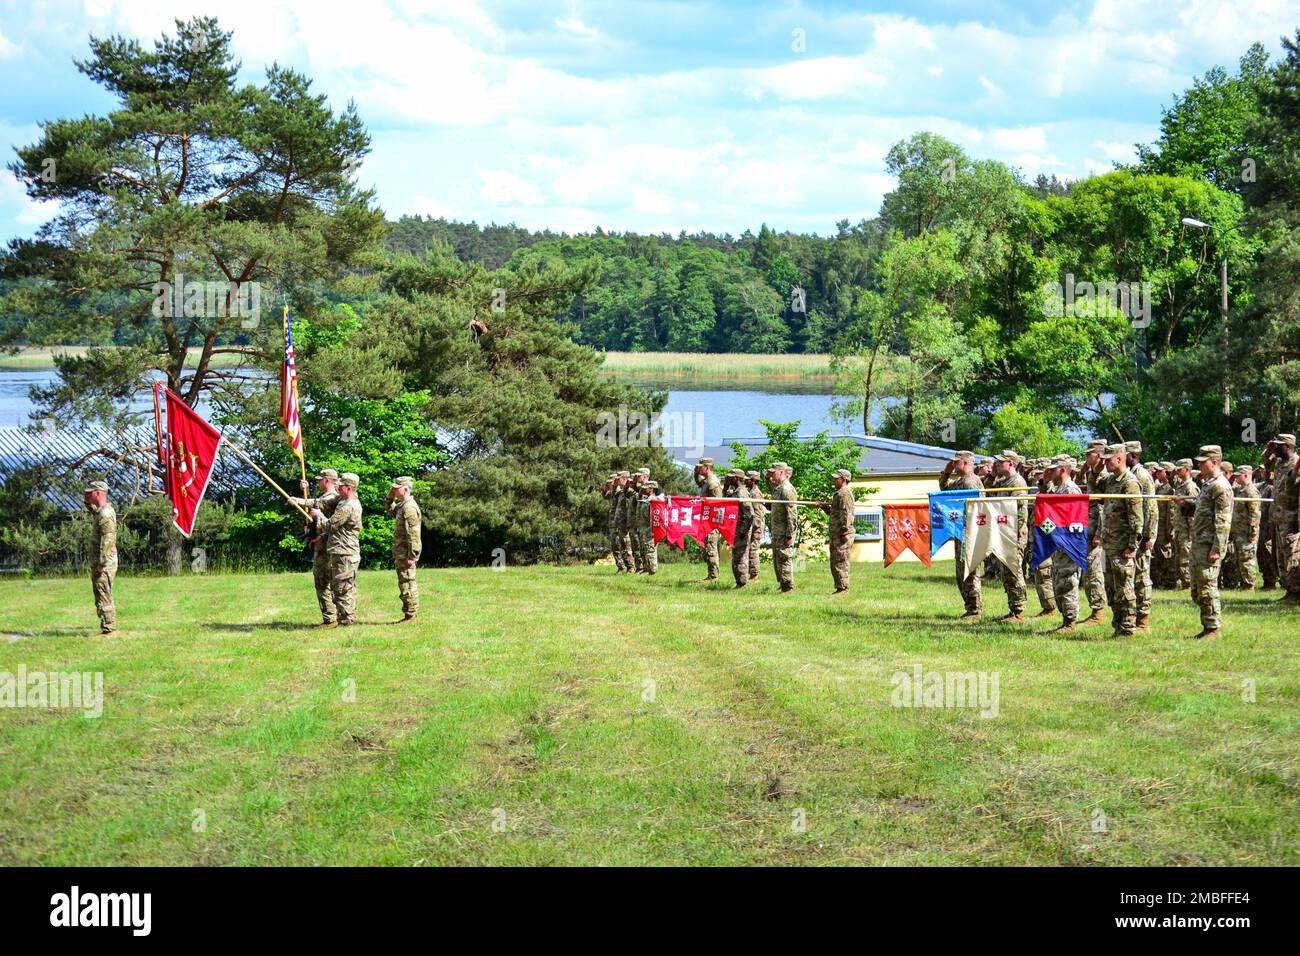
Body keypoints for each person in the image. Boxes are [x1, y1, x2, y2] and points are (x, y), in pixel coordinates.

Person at [1177, 445, 1233, 640]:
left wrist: (1217, 548)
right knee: (1198, 588)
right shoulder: (1209, 484)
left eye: (1203, 462)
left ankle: (1213, 628)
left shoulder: (1221, 486)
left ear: (1215, 462)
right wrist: (1187, 505)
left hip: (1209, 545)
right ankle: (1207, 625)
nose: (1199, 465)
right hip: (1199, 542)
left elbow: (1223, 521)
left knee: (1208, 586)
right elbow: (1204, 511)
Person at [1101, 443, 1142, 637]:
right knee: (1111, 587)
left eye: (1108, 460)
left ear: (1119, 459)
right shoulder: (1111, 481)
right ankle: (1117, 624)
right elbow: (1093, 483)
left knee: (1124, 587)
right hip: (1110, 543)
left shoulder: (1130, 483)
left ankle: (1127, 627)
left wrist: (1132, 545)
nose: (1105, 464)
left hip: (1123, 545)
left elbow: (1136, 518)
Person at [292, 468, 341, 626]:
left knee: (325, 581)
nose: (318, 482)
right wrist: (306, 491)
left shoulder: (333, 497)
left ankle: (333, 617)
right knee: (321, 580)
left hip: (328, 546)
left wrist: (297, 500)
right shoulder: (327, 496)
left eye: (320, 480)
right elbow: (316, 506)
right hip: (322, 544)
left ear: (327, 481)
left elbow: (319, 504)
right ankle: (331, 617)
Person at [940, 450, 984, 620]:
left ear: (965, 463)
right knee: (961, 572)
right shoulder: (960, 481)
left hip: (971, 533)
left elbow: (978, 511)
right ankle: (970, 607)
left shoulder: (972, 483)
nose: (953, 464)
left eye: (955, 462)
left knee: (970, 571)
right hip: (960, 531)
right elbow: (944, 490)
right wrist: (946, 472)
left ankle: (975, 609)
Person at [318, 472, 363, 627]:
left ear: (349, 488)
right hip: (343, 551)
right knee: (341, 586)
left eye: (341, 485)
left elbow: (330, 525)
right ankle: (344, 619)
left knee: (343, 588)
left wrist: (318, 515)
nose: (338, 487)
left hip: (345, 553)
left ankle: (346, 621)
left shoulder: (348, 506)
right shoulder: (346, 502)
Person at [990, 450, 1029, 622]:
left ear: (1011, 464)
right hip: (1003, 533)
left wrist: (1014, 534)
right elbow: (989, 495)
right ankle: (1013, 608)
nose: (997, 464)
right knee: (1006, 573)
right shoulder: (1002, 481)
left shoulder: (1018, 482)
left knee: (1014, 572)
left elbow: (1020, 512)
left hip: (1014, 535)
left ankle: (1019, 610)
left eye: (1000, 462)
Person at [1046, 455, 1083, 632]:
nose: (1049, 473)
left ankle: (1070, 621)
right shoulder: (1058, 489)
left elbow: (1074, 520)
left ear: (1062, 470)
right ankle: (1065, 619)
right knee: (1058, 580)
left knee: (1068, 581)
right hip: (1058, 543)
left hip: (1069, 543)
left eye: (1053, 469)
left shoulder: (1071, 491)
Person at [1262, 434, 1300, 603]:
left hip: (1291, 518)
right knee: (1280, 557)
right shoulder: (1279, 463)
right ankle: (1288, 590)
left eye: (1278, 446)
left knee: (1292, 555)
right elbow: (1266, 467)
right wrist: (1267, 451)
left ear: (1288, 446)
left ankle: (1296, 592)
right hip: (1278, 517)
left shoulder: (1296, 464)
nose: (1275, 449)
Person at [1126, 441, 1159, 632]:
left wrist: (1149, 536)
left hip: (1143, 535)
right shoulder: (1131, 475)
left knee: (1142, 577)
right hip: (1135, 534)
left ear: (1132, 455)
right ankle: (1136, 615)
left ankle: (1143, 620)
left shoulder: (1142, 476)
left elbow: (1151, 508)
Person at [1079, 439, 1108, 626]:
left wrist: (1099, 532)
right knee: (1088, 570)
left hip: (1096, 528)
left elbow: (1105, 506)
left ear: (1098, 454)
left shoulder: (1104, 476)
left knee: (1094, 570)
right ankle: (1094, 610)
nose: (1085, 457)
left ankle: (1098, 612)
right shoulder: (1092, 473)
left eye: (1089, 454)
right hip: (1087, 526)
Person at [84, 480, 118, 635]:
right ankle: (107, 624)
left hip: (104, 563)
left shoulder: (105, 514)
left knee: (103, 593)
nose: (87, 494)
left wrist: (102, 563)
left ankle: (109, 627)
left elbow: (108, 539)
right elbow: (93, 510)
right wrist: (87, 501)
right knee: (100, 592)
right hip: (101, 562)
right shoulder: (101, 511)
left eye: (90, 492)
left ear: (98, 493)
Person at [387, 476, 422, 622]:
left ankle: (411, 614)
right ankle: (409, 613)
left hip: (406, 554)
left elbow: (413, 534)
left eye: (397, 488)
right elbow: (390, 510)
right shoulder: (402, 505)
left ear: (406, 489)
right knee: (404, 582)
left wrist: (412, 556)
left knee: (408, 583)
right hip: (401, 552)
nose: (394, 490)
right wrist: (389, 497)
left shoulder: (409, 507)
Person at [819, 468, 856, 594]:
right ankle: (839, 587)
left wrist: (844, 532)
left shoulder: (844, 494)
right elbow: (835, 514)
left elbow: (847, 515)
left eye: (837, 478)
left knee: (841, 561)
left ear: (844, 480)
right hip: (837, 533)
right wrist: (825, 507)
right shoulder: (839, 493)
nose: (834, 481)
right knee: (836, 561)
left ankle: (843, 589)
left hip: (842, 534)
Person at [1228, 465, 1261, 591]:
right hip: (1238, 531)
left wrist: (1252, 531)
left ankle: (1249, 585)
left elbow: (1255, 513)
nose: (1236, 477)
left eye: (1239, 475)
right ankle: (1243, 584)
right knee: (1240, 558)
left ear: (1246, 475)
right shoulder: (1240, 490)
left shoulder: (1251, 491)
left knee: (1247, 558)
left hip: (1247, 532)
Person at [767, 461, 798, 593]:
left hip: (785, 532)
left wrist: (790, 534)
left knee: (784, 558)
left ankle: (787, 586)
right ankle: (783, 584)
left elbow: (792, 514)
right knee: (778, 558)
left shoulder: (786, 489)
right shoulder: (778, 488)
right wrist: (767, 477)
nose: (772, 475)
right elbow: (769, 483)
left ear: (781, 473)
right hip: (778, 531)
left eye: (774, 473)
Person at [1169, 459, 1199, 590]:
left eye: (1179, 469)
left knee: (1186, 557)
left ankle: (1188, 584)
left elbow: (1193, 511)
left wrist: (1191, 532)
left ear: (1187, 470)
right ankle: (1184, 582)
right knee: (1179, 557)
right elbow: (1171, 482)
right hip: (1180, 528)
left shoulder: (1190, 487)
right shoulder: (1180, 486)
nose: (1177, 472)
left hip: (1187, 530)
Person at [695, 458, 723, 581]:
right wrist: (695, 472)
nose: (699, 469)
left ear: (707, 468)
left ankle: (714, 576)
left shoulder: (713, 483)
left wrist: (715, 524)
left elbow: (719, 503)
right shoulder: (707, 481)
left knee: (711, 548)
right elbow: (698, 481)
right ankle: (710, 573)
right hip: (706, 519)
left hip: (712, 520)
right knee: (707, 548)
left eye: (701, 467)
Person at [745, 470, 766, 582]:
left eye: (747, 479)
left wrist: (755, 529)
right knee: (751, 549)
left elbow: (758, 513)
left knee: (753, 549)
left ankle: (754, 575)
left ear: (752, 481)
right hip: (755, 525)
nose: (745, 481)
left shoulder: (755, 494)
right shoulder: (751, 492)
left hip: (756, 526)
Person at [603, 474, 626, 573]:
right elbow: (605, 495)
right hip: (613, 522)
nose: (612, 483)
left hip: (620, 523)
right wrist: (606, 486)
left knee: (622, 545)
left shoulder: (621, 492)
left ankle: (627, 566)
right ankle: (620, 566)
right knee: (614, 545)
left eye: (614, 481)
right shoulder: (613, 492)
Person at [637, 478, 659, 575]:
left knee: (650, 549)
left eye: (646, 488)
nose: (644, 489)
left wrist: (650, 530)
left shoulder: (653, 501)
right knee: (645, 549)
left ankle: (652, 571)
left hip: (650, 530)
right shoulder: (646, 499)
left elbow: (653, 517)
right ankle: (647, 568)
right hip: (645, 529)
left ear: (651, 489)